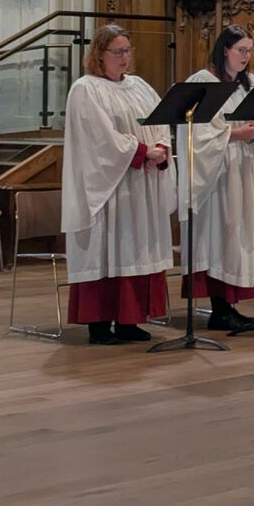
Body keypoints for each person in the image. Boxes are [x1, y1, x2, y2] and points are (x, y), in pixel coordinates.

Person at [61, 25, 174, 345]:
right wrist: (141, 152)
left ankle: (129, 320)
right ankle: (99, 324)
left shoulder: (139, 86)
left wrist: (162, 149)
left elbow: (161, 121)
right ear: (99, 55)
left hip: (141, 185)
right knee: (109, 247)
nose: (125, 58)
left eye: (128, 51)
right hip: (110, 190)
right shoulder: (85, 89)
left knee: (136, 249)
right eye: (118, 52)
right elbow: (98, 139)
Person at [178, 25, 254, 333]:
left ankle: (230, 306)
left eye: (249, 50)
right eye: (240, 50)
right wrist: (234, 134)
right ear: (224, 50)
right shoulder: (203, 82)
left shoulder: (251, 84)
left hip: (245, 172)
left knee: (239, 236)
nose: (246, 56)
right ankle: (219, 307)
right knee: (221, 235)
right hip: (217, 176)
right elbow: (196, 134)